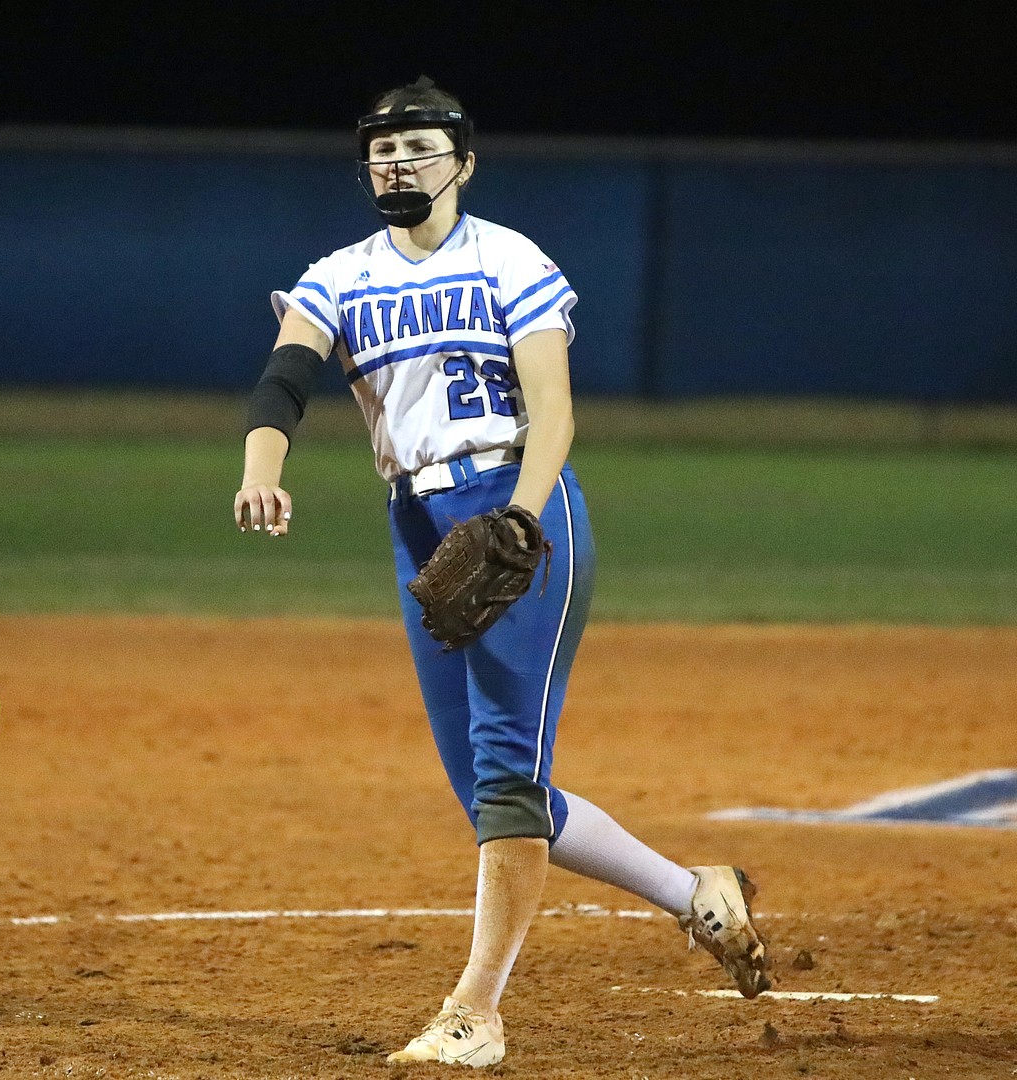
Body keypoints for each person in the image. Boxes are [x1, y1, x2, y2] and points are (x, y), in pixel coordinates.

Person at [232, 76, 771, 1068]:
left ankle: (475, 1011)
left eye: (420, 147)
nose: (398, 162)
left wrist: (519, 515)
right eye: (383, 149)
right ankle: (700, 894)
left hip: (521, 510)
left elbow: (554, 410)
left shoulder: (507, 258)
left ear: (463, 162)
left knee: (505, 777)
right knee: (492, 792)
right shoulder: (338, 275)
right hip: (417, 522)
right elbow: (285, 378)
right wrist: (262, 470)